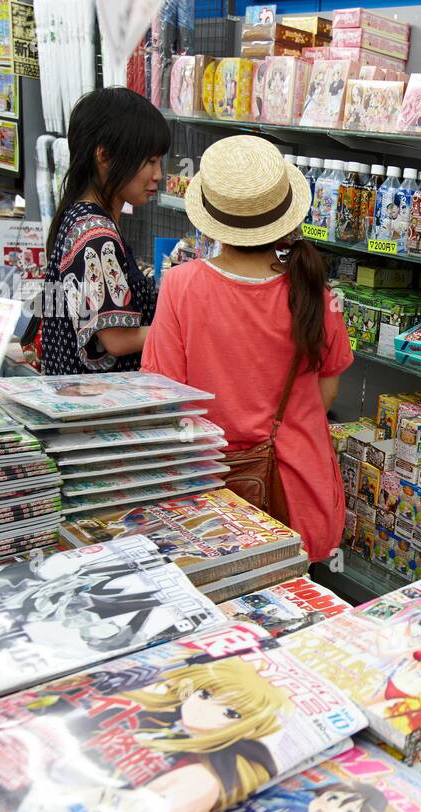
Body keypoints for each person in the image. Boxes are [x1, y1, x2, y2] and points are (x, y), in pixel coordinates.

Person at [142, 135, 352, 562]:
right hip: (299, 492)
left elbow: (165, 398)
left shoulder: (182, 287)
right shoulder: (314, 291)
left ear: (210, 219)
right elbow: (326, 393)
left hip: (212, 494)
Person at [38, 87, 169, 375]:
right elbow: (117, 340)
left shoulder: (78, 217)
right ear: (105, 156)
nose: (158, 175)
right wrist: (187, 329)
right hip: (99, 406)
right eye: (149, 161)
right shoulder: (95, 233)